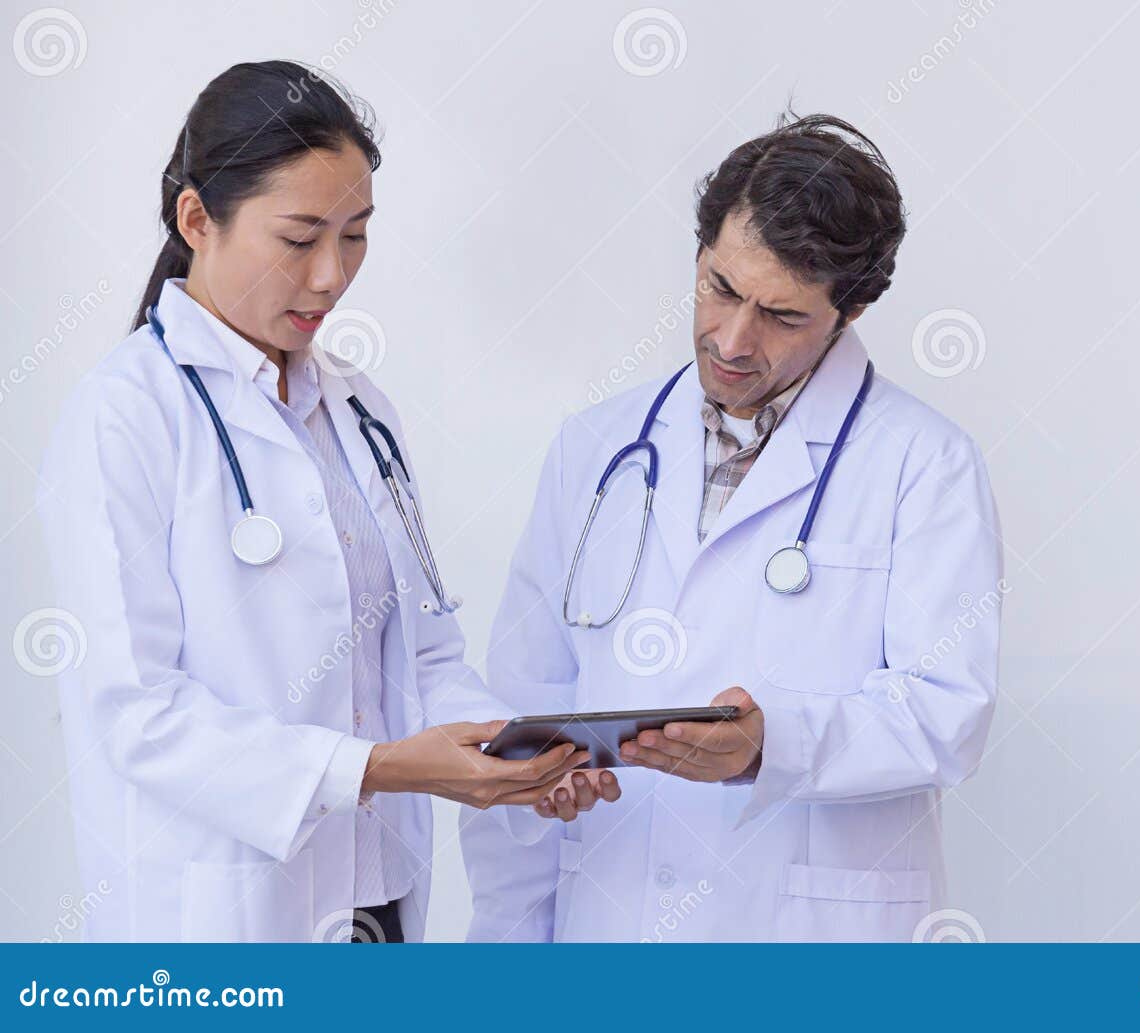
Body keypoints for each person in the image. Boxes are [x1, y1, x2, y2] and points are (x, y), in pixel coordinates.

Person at [36, 61, 616, 943]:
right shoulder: (124, 414)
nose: (331, 276)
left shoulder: (359, 411)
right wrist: (375, 769)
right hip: (222, 918)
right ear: (197, 219)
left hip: (369, 901)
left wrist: (515, 752)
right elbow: (138, 714)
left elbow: (420, 657)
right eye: (301, 237)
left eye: (356, 235)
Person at [460, 114, 1002, 941]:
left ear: (849, 309)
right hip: (609, 913)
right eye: (720, 287)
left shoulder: (924, 464)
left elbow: (948, 711)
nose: (733, 339)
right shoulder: (595, 448)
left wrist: (769, 746)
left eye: (782, 315)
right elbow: (522, 707)